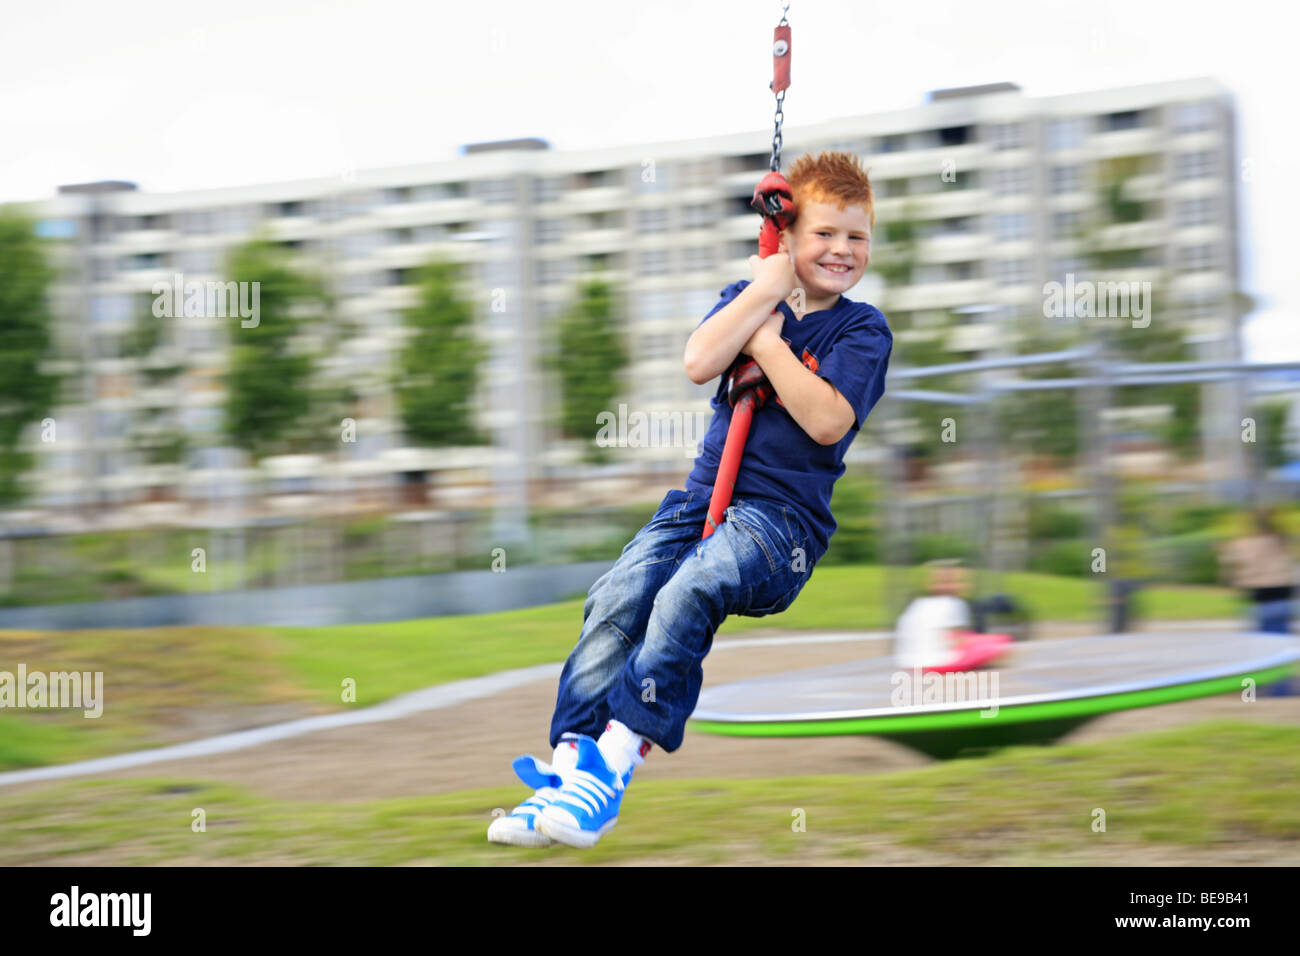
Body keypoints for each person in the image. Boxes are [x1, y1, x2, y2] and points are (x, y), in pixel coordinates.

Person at [488, 151, 893, 849]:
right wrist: (762, 296)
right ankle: (570, 766)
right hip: (701, 502)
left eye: (857, 237)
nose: (842, 250)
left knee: (686, 594)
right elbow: (699, 360)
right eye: (825, 233)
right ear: (787, 235)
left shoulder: (861, 330)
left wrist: (767, 345)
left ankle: (613, 765)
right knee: (617, 595)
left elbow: (827, 420)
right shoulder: (747, 295)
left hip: (779, 527)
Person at [1218, 508, 1296, 696]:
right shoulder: (1281, 542)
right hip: (1283, 601)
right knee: (1281, 650)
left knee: (1253, 652)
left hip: (1259, 603)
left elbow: (1228, 572)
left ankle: (1250, 691)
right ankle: (1280, 691)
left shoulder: (1243, 544)